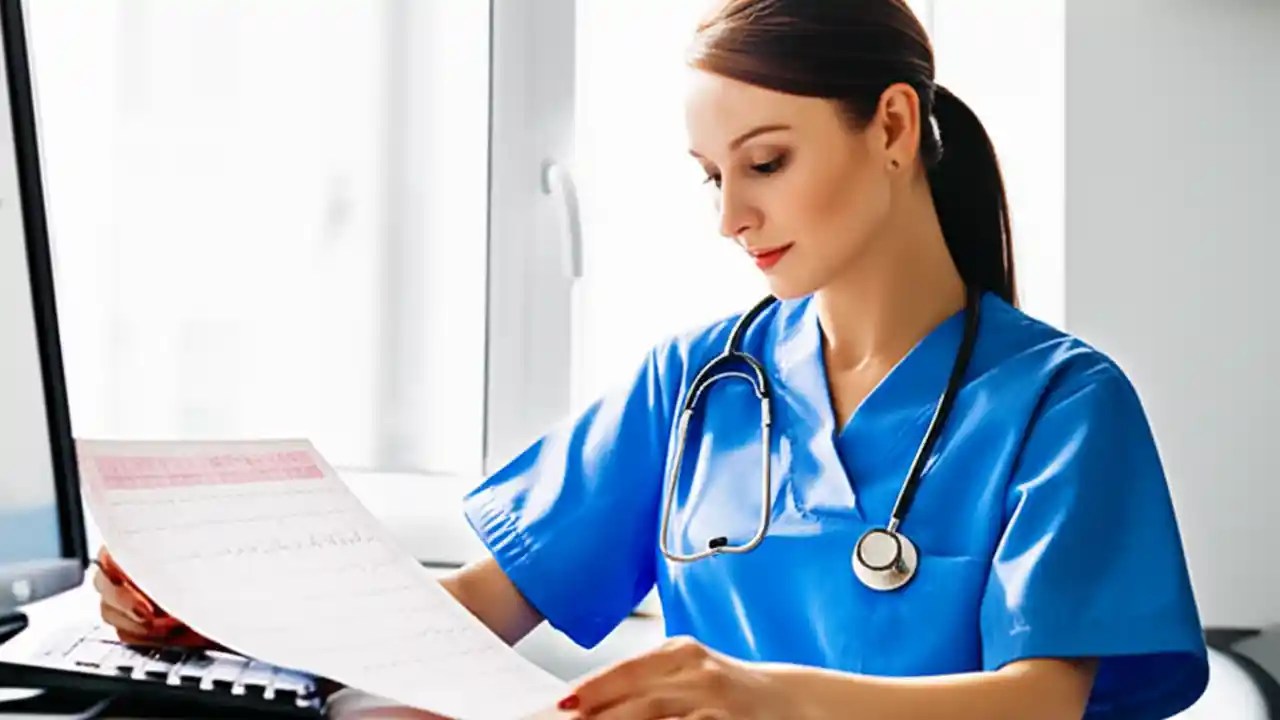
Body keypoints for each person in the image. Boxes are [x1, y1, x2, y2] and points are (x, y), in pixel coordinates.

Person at [94, 1, 1210, 717]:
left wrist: (757, 696)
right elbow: (474, 608)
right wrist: (231, 623)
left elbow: (1041, 699)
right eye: (709, 175)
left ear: (890, 127)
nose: (731, 216)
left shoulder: (1061, 407)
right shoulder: (695, 384)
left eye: (764, 162)